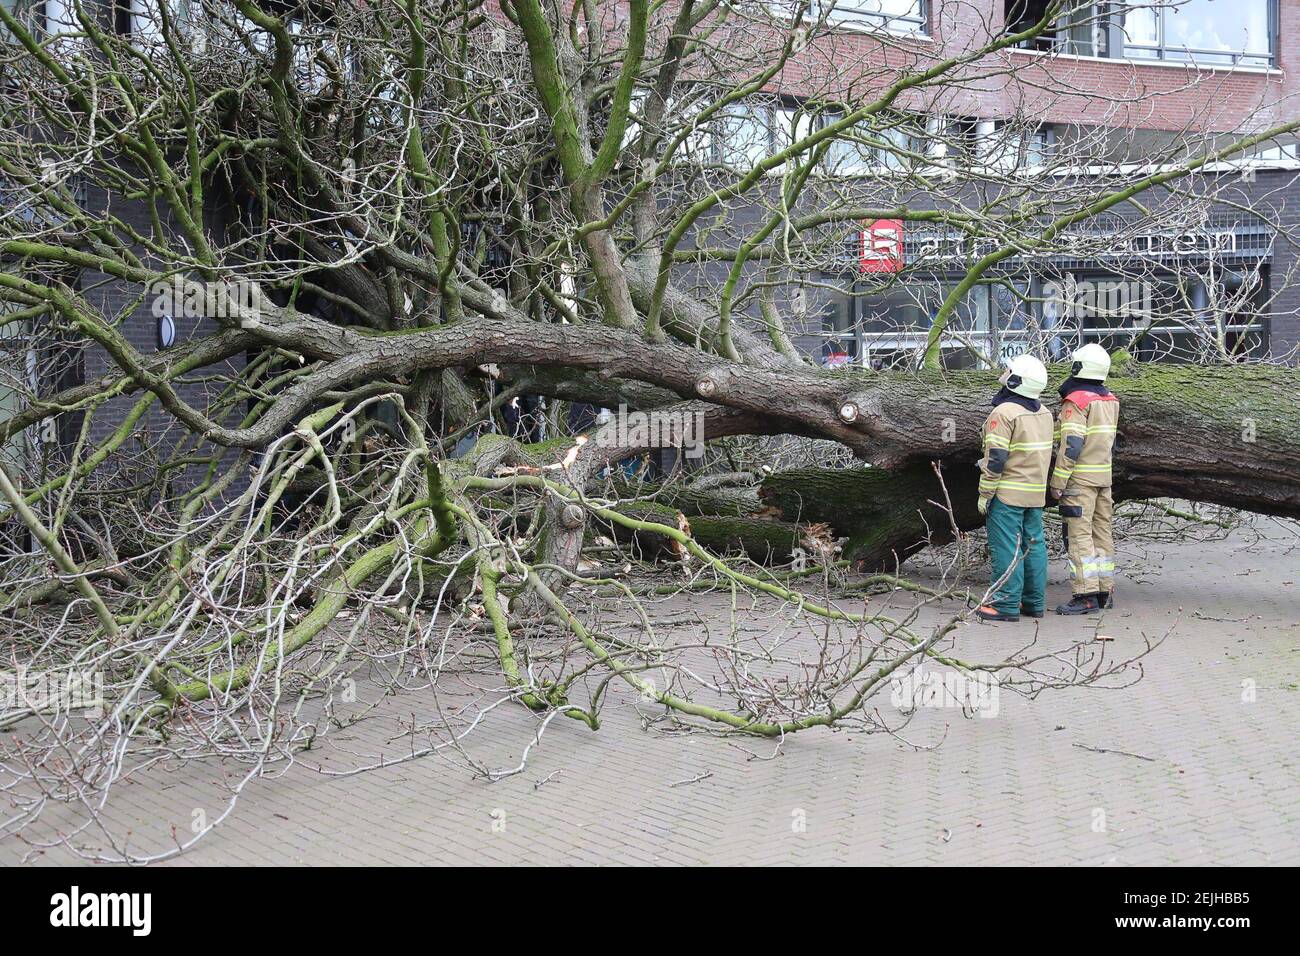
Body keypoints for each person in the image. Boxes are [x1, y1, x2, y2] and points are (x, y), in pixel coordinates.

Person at [976, 354, 1054, 623]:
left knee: (1007, 548)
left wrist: (985, 494)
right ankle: (1034, 603)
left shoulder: (1003, 413)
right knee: (1034, 546)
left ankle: (1006, 603)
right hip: (1034, 493)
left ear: (1016, 380)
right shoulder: (1044, 413)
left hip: (1007, 495)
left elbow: (996, 458)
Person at [1050, 343, 1120, 614]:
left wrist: (1058, 482)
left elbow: (1072, 445)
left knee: (1080, 538)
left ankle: (1085, 595)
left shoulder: (1076, 401)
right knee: (1102, 535)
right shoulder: (1110, 400)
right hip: (1104, 478)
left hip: (1080, 481)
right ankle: (1104, 591)